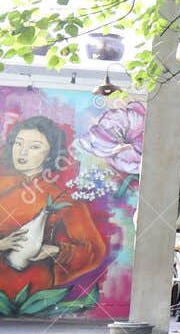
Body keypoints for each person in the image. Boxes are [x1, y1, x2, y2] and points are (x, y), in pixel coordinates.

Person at [0, 116, 107, 299]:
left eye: (34, 146)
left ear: (50, 154)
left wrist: (57, 250)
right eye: (18, 143)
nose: (22, 152)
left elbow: (94, 250)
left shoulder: (61, 198)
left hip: (33, 293)